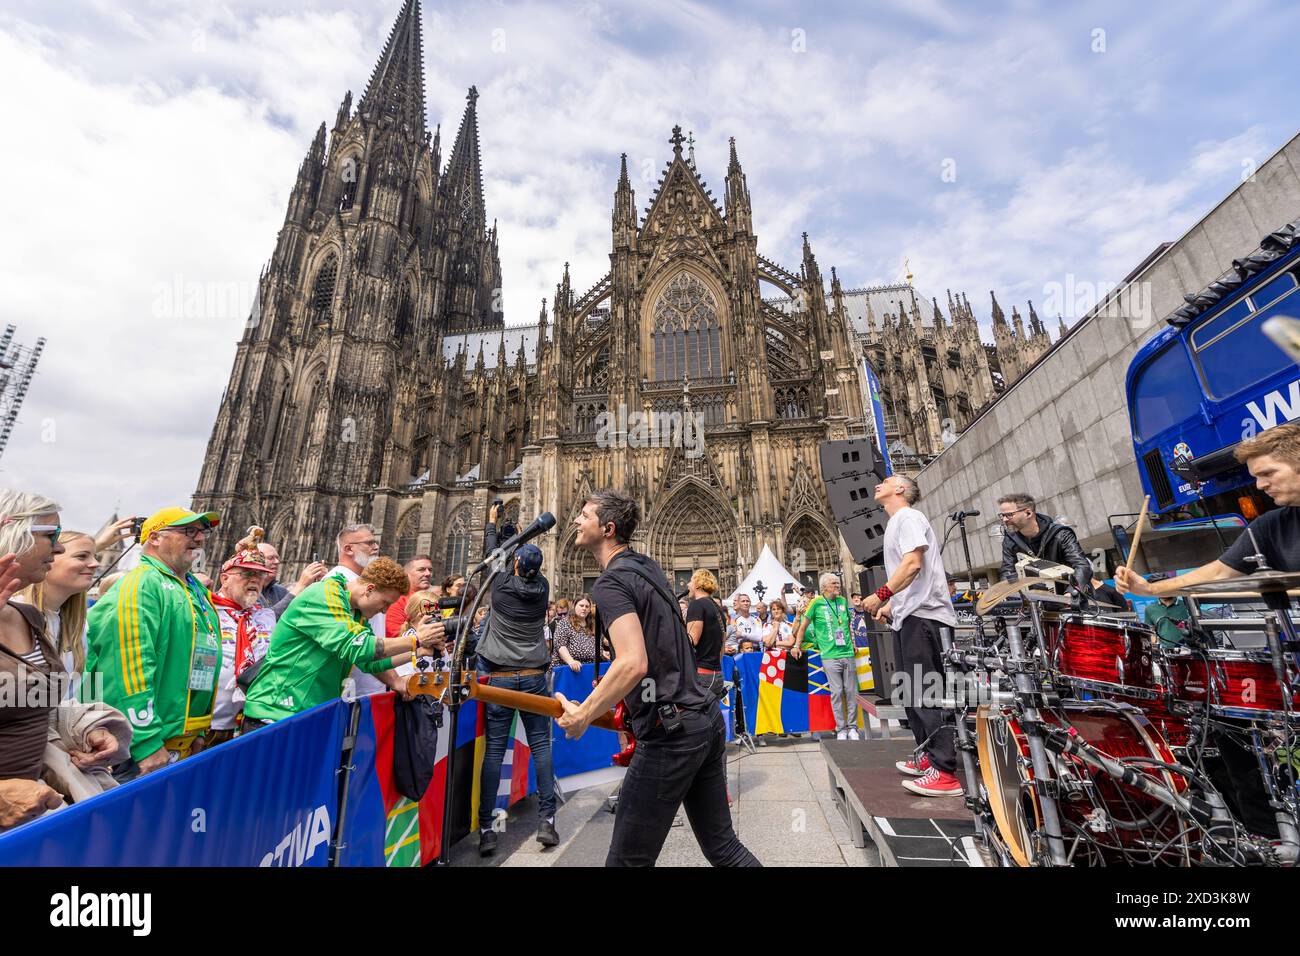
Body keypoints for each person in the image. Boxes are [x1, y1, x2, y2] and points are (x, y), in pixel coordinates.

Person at [556, 488, 759, 867]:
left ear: (608, 528)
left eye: (585, 515)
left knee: (626, 862)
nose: (577, 520)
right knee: (724, 848)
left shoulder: (611, 582)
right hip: (705, 719)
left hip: (672, 734)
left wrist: (583, 714)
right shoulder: (647, 567)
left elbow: (633, 662)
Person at [0, 496, 131, 830]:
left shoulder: (27, 617)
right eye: (51, 535)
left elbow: (37, 702)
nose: (57, 549)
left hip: (30, 820)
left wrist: (87, 728)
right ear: (12, 531)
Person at [84, 507, 224, 776]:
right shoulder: (142, 585)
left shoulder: (195, 589)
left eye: (202, 531)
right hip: (136, 748)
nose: (199, 538)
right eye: (187, 530)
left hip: (178, 739)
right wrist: (145, 741)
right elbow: (128, 667)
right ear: (156, 538)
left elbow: (201, 660)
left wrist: (196, 728)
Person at [243, 558, 443, 727]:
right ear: (369, 589)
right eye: (385, 603)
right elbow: (359, 647)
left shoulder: (356, 612)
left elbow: (370, 661)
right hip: (275, 713)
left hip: (310, 714)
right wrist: (415, 639)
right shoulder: (323, 594)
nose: (384, 611)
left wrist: (418, 650)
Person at [863, 474, 961, 797]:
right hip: (911, 616)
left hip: (925, 619)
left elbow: (914, 564)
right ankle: (929, 757)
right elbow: (913, 576)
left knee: (926, 693)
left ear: (901, 490)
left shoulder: (907, 516)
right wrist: (894, 606)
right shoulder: (896, 522)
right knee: (911, 695)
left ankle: (945, 771)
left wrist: (882, 594)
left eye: (887, 481)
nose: (879, 483)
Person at [1117, 423, 1300, 596]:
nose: (1259, 485)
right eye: (1256, 477)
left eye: (1267, 473)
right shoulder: (1270, 527)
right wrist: (1150, 589)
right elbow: (1219, 573)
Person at [475, 501, 558, 855]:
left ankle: (488, 831)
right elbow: (507, 559)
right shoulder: (541, 590)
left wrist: (494, 525)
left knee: (495, 750)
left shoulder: (501, 588)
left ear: (516, 566)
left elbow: (494, 556)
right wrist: (513, 538)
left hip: (500, 678)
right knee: (541, 745)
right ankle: (547, 822)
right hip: (533, 675)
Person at [209, 534, 277, 744]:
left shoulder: (266, 616)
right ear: (225, 578)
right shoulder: (205, 610)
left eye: (260, 574)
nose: (255, 580)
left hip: (250, 727)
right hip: (204, 727)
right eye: (247, 573)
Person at [16, 530, 99, 700]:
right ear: (47, 559)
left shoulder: (78, 627)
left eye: (95, 556)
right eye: (82, 556)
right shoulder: (13, 613)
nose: (95, 564)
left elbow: (65, 700)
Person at [326, 523, 404, 697]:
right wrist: (416, 642)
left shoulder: (362, 581)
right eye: (369, 543)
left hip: (369, 683)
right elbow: (354, 644)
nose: (376, 547)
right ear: (348, 549)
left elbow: (369, 640)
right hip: (347, 688)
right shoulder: (335, 583)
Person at [793, 573, 859, 741]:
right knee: (837, 692)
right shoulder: (816, 603)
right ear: (824, 587)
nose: (837, 585)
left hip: (848, 653)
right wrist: (796, 646)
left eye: (838, 582)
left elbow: (847, 624)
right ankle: (841, 728)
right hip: (829, 655)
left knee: (851, 692)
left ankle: (853, 727)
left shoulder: (843, 601)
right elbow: (802, 627)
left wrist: (853, 641)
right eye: (834, 583)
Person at [997, 492, 1093, 593]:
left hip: (1069, 599)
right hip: (1035, 601)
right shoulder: (1009, 540)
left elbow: (1081, 565)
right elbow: (1007, 572)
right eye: (1002, 516)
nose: (1004, 520)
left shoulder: (1061, 534)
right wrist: (1012, 596)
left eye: (1009, 515)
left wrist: (1071, 593)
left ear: (1028, 513)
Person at [684, 570, 726, 704]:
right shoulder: (717, 607)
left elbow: (691, 640)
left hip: (702, 675)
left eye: (690, 581)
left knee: (695, 721)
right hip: (716, 674)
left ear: (697, 584)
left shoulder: (697, 605)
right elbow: (722, 644)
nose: (688, 585)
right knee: (711, 719)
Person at [257, 542, 327, 619]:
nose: (277, 562)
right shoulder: (250, 590)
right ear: (256, 561)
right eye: (270, 558)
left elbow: (306, 611)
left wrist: (321, 583)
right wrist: (301, 586)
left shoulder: (281, 591)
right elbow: (264, 620)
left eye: (277, 558)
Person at [386, 555, 435, 638]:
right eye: (421, 570)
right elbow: (395, 635)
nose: (428, 574)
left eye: (430, 570)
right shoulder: (397, 599)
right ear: (406, 574)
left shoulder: (432, 599)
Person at [552, 594, 598, 670]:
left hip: (589, 669)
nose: (584, 608)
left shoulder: (592, 625)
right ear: (574, 606)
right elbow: (560, 645)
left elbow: (597, 645)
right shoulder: (565, 623)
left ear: (590, 609)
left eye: (587, 606)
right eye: (581, 605)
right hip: (567, 669)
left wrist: (602, 653)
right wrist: (571, 661)